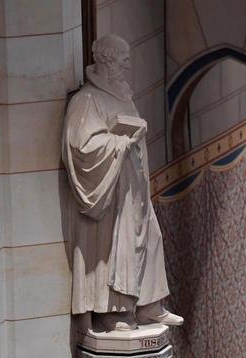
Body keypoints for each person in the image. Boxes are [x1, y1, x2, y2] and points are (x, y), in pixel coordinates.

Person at [62, 35, 180, 332]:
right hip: (112, 191)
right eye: (123, 59)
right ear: (107, 59)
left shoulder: (121, 94)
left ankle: (149, 305)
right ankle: (114, 312)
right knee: (119, 247)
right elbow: (81, 145)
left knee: (151, 237)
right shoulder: (87, 100)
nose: (128, 65)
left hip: (134, 188)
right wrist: (117, 143)